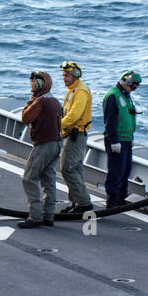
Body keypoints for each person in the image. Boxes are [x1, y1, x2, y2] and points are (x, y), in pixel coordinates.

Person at [17, 71, 63, 228]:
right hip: (57, 143)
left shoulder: (40, 102)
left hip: (44, 144)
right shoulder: (55, 101)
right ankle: (48, 215)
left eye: (34, 81)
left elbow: (25, 118)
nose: (31, 83)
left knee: (29, 178)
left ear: (40, 85)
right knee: (48, 178)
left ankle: (35, 216)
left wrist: (31, 100)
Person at [57, 61, 94, 214]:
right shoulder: (73, 89)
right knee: (75, 170)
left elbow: (73, 116)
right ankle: (76, 204)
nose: (64, 78)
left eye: (67, 75)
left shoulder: (80, 91)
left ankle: (84, 204)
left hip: (76, 135)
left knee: (67, 169)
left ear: (75, 75)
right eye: (63, 75)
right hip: (71, 134)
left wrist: (56, 126)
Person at [102, 70, 141, 207]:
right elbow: (110, 120)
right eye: (132, 86)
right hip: (117, 139)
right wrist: (114, 140)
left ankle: (120, 197)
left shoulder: (125, 95)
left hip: (127, 138)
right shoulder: (113, 96)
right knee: (116, 170)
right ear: (126, 82)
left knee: (125, 170)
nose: (133, 89)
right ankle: (112, 199)